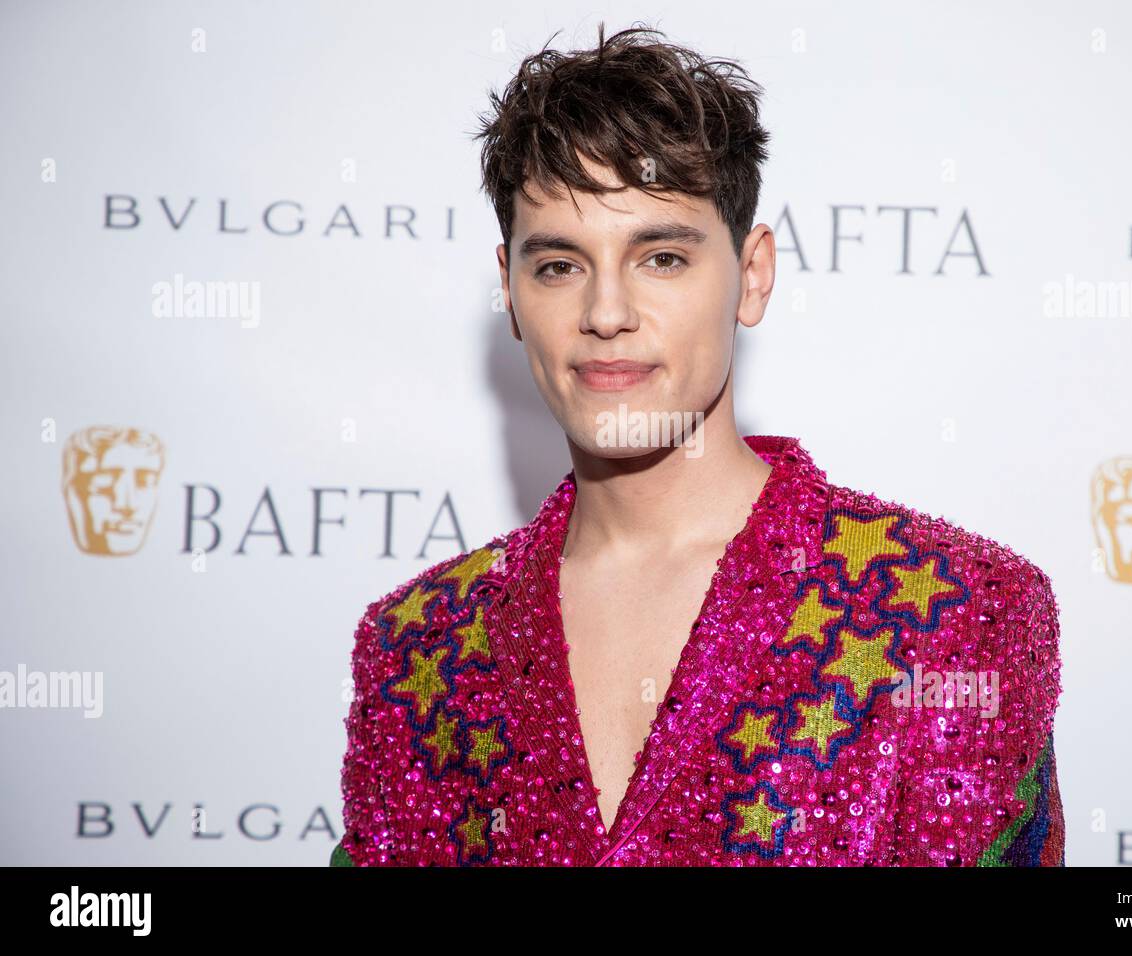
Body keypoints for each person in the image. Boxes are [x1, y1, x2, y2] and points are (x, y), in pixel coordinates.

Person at [331, 22, 1063, 867]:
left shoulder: (953, 612)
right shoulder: (418, 648)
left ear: (753, 276)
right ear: (510, 290)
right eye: (560, 265)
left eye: (662, 258)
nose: (606, 313)